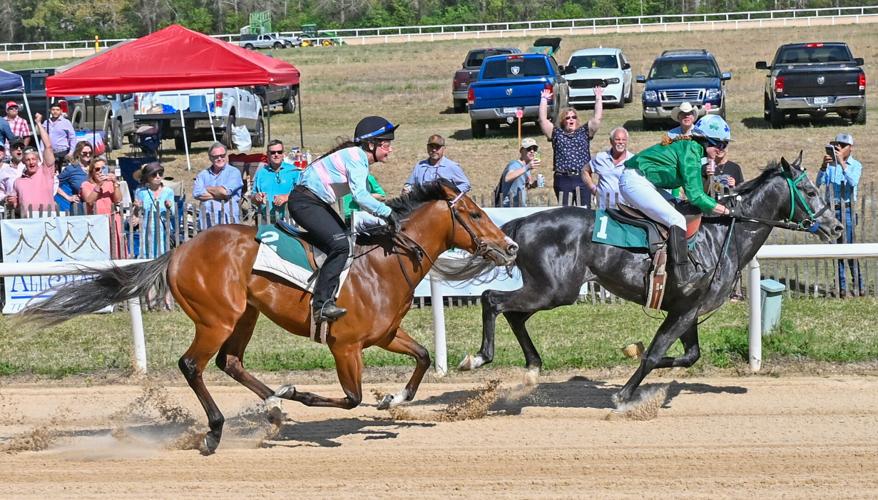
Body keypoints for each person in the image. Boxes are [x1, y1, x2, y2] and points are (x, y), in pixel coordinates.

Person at [288, 115, 400, 322]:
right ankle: (321, 305)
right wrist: (387, 213)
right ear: (371, 144)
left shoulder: (356, 156)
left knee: (345, 241)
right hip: (306, 203)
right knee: (340, 246)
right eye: (386, 144)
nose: (390, 149)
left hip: (312, 201)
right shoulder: (357, 158)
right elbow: (361, 196)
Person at [618, 114, 732, 287]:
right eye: (719, 144)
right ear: (706, 140)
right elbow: (696, 196)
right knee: (677, 220)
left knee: (679, 207)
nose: (721, 150)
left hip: (643, 181)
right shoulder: (691, 150)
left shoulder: (693, 149)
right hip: (635, 181)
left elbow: (695, 193)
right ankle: (681, 276)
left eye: (725, 145)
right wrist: (726, 211)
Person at [538, 86, 603, 207]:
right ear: (563, 121)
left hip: (583, 178)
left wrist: (598, 98)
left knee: (584, 212)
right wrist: (544, 99)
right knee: (565, 213)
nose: (571, 120)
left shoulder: (584, 131)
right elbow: (543, 120)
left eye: (574, 117)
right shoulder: (556, 133)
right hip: (563, 179)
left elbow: (597, 118)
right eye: (567, 118)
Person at [817, 132, 863, 297]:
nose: (839, 148)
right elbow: (818, 183)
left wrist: (842, 163)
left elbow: (853, 182)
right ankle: (842, 287)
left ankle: (859, 285)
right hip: (831, 212)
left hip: (847, 210)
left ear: (850, 148)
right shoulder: (830, 166)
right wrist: (823, 167)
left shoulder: (855, 165)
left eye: (842, 146)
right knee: (836, 250)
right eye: (836, 145)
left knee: (849, 250)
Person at [9, 113, 56, 217]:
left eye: (34, 159)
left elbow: (48, 146)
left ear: (38, 160)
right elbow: (15, 206)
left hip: (48, 221)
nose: (31, 162)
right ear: (23, 162)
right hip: (28, 223)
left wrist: (39, 123)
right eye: (28, 160)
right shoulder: (17, 182)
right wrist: (12, 203)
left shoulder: (46, 171)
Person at [80, 156, 125, 258]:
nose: (100, 171)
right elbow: (89, 201)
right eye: (97, 169)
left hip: (112, 220)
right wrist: (99, 185)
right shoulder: (86, 185)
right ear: (92, 172)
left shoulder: (110, 184)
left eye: (103, 168)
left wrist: (115, 183)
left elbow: (118, 200)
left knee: (115, 248)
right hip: (96, 221)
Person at [193, 142, 244, 227]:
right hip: (206, 224)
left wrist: (207, 188)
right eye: (216, 156)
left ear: (226, 156)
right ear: (210, 158)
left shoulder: (234, 172)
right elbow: (197, 194)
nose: (219, 158)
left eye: (222, 155)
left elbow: (225, 192)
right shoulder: (202, 175)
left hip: (228, 222)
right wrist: (220, 195)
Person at [132, 161, 176, 258]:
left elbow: (172, 214)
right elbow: (137, 215)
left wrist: (169, 207)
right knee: (148, 256)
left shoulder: (168, 192)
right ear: (147, 177)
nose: (158, 176)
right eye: (154, 174)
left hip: (163, 230)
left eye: (160, 174)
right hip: (147, 231)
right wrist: (137, 208)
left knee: (164, 257)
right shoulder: (141, 192)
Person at [251, 139, 300, 222]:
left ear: (283, 154)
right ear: (268, 154)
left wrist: (286, 197)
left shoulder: (294, 171)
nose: (276, 155)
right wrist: (256, 197)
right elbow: (252, 197)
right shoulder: (261, 173)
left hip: (289, 219)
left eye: (279, 152)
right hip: (266, 220)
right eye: (273, 152)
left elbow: (302, 193)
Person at [403, 134, 470, 194]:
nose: (434, 150)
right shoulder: (420, 166)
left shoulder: (451, 166)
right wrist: (407, 189)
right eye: (431, 146)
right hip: (422, 202)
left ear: (443, 148)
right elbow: (409, 185)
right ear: (427, 147)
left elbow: (465, 184)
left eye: (437, 147)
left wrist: (450, 194)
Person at [586, 127, 634, 209]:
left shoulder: (632, 160)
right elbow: (585, 171)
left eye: (624, 140)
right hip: (603, 208)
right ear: (611, 141)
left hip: (626, 208)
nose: (621, 142)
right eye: (617, 139)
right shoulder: (601, 158)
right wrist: (592, 188)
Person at [498, 137, 541, 207]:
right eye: (529, 149)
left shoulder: (527, 167)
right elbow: (507, 178)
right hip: (508, 207)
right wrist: (527, 167)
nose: (532, 151)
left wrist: (534, 185)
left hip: (520, 206)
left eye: (534, 149)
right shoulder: (514, 164)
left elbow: (525, 186)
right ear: (521, 151)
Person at [55, 140, 93, 212]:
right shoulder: (71, 169)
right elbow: (54, 183)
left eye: (90, 153)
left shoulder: (95, 167)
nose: (88, 155)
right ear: (78, 153)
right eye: (84, 153)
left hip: (95, 206)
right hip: (80, 207)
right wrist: (68, 197)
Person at [46, 102, 76, 171]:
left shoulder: (66, 122)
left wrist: (71, 152)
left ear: (61, 111)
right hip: (50, 153)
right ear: (50, 110)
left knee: (63, 173)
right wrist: (42, 152)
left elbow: (72, 138)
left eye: (57, 110)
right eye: (53, 110)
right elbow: (43, 139)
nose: (55, 112)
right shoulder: (46, 123)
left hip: (63, 152)